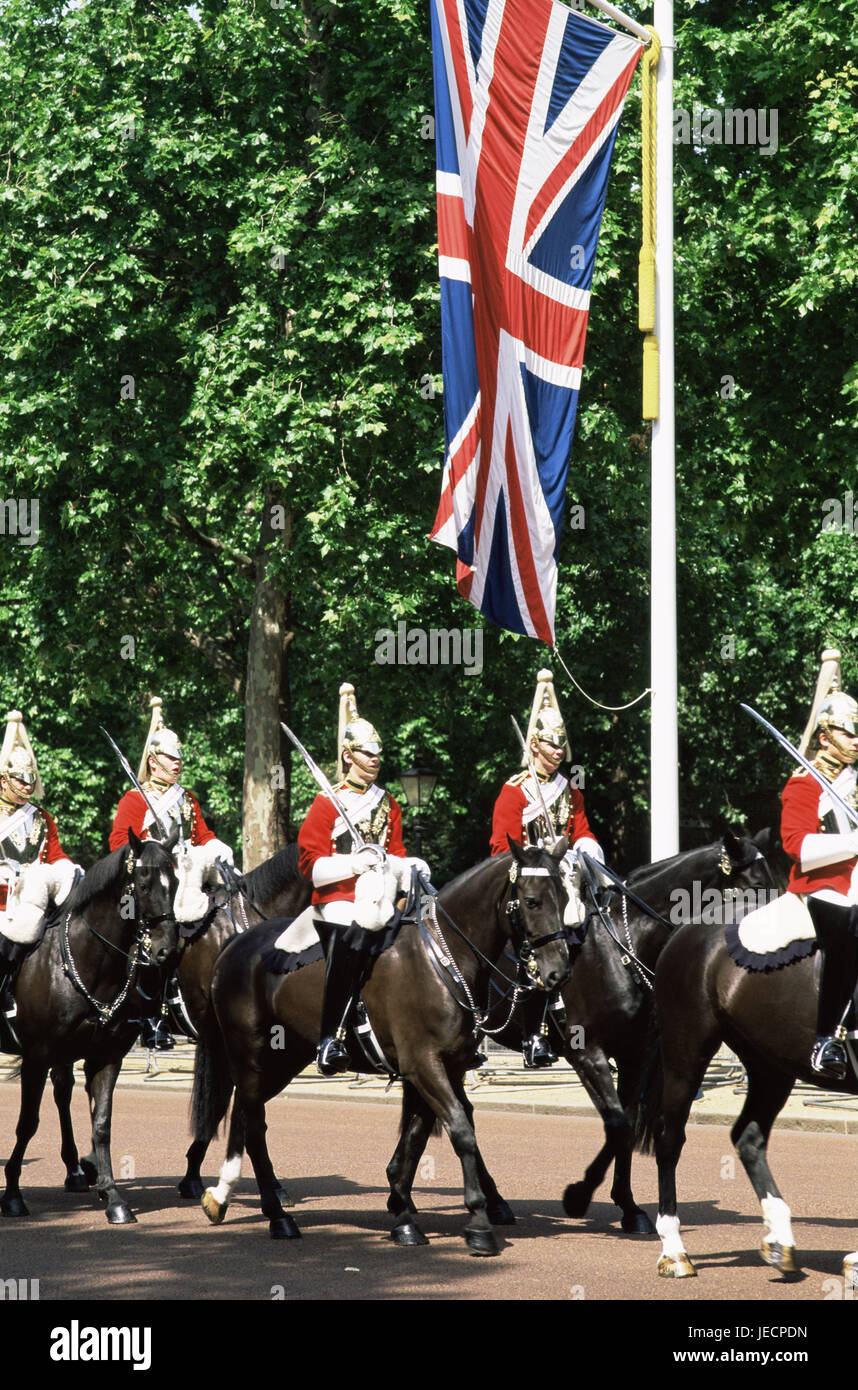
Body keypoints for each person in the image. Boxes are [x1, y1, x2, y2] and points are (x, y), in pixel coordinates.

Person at [296, 682, 427, 1076]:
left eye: (378, 752)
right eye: (368, 753)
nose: (376, 758)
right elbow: (310, 864)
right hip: (339, 897)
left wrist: (412, 867)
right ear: (348, 756)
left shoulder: (388, 802)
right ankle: (329, 1038)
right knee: (349, 944)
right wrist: (355, 863)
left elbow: (398, 853)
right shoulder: (327, 801)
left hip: (383, 895)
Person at [491, 669, 605, 1067]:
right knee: (536, 946)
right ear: (535, 745)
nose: (559, 751)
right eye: (552, 745)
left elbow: (582, 830)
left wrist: (585, 849)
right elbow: (500, 847)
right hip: (529, 886)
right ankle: (533, 1036)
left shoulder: (569, 789)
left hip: (564, 879)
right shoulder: (514, 790)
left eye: (562, 744)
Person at [109, 696, 234, 1048]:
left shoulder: (186, 798)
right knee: (157, 931)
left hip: (190, 876)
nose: (177, 764)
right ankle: (151, 1014)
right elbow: (119, 843)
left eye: (180, 758)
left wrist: (215, 845)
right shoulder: (134, 800)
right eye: (170, 758)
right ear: (153, 761)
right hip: (153, 882)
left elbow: (202, 835)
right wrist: (153, 852)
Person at [781, 661, 858, 1081]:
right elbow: (797, 846)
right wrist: (852, 844)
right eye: (849, 732)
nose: (857, 740)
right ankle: (825, 1038)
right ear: (825, 737)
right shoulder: (804, 783)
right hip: (823, 889)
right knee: (849, 929)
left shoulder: (856, 781)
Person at [0, 711, 76, 990]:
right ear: (3, 780)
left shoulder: (42, 817)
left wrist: (68, 869)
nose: (28, 786)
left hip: (39, 898)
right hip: (3, 902)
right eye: (20, 780)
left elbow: (56, 855)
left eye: (31, 779)